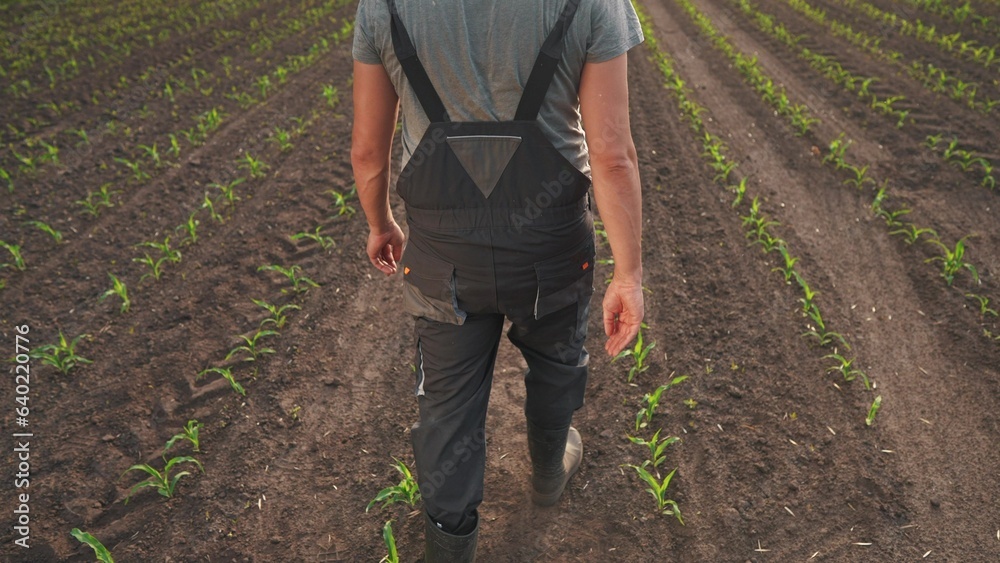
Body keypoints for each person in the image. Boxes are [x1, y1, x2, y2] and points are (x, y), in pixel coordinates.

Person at [351, 0, 644, 559]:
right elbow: (612, 155)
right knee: (557, 362)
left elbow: (367, 151)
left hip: (442, 253)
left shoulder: (383, 6)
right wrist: (627, 274)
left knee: (448, 405)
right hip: (550, 248)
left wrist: (380, 223)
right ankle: (548, 472)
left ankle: (449, 544)